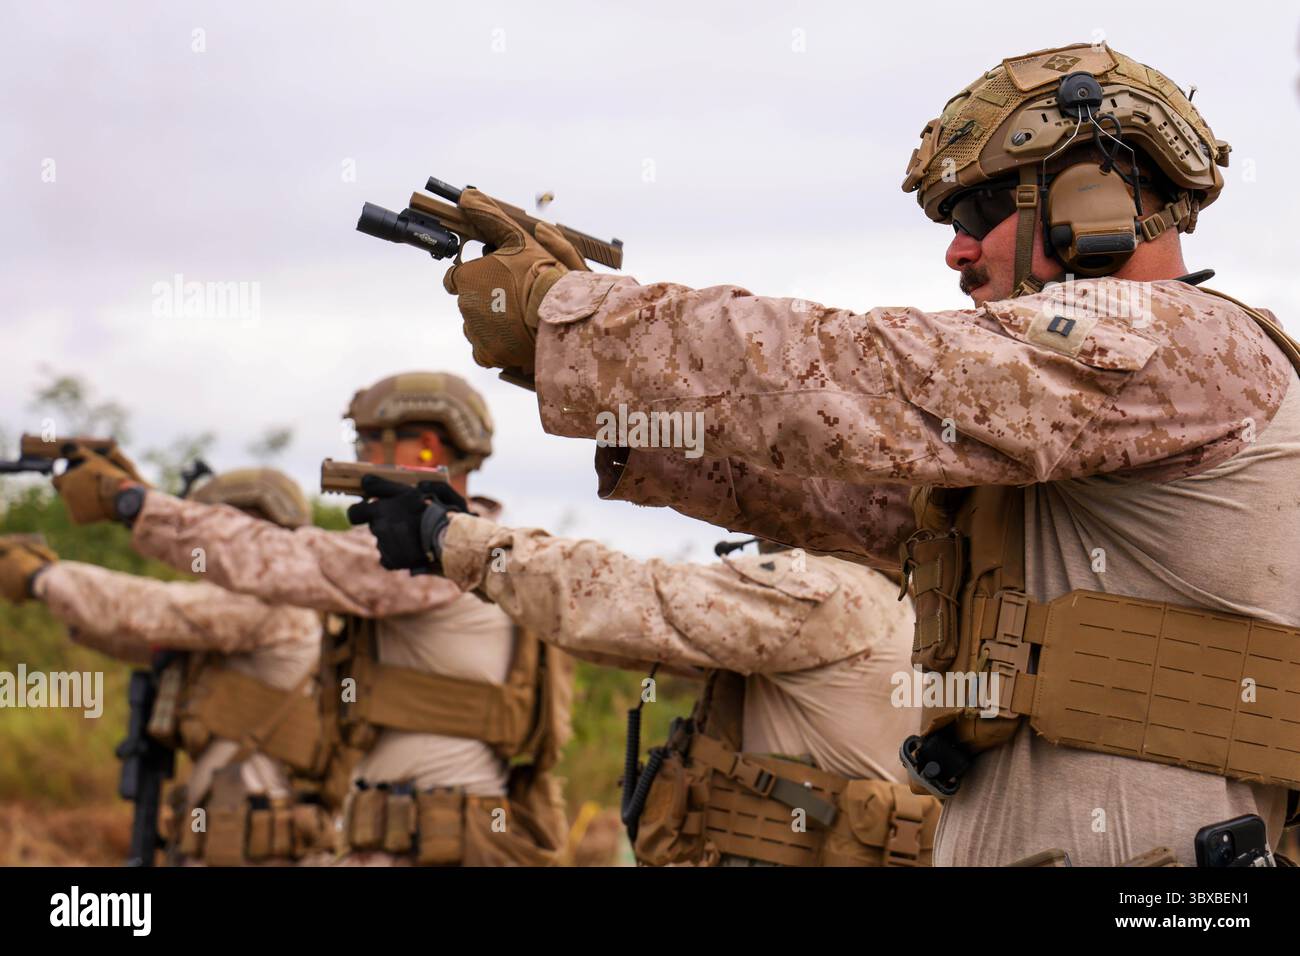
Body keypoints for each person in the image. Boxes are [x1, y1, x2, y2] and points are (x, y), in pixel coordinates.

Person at [431, 42, 1300, 865]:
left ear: (1094, 197)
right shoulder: (1077, 446)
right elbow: (845, 489)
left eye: (979, 211)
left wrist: (582, 323)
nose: (958, 250)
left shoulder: (1178, 344)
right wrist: (591, 380)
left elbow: (870, 374)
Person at [49, 373, 573, 866]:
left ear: (427, 444)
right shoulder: (471, 546)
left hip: (434, 835)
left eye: (368, 440)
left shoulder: (443, 550)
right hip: (421, 831)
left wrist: (135, 506)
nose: (360, 456)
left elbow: (287, 562)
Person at [349, 481, 939, 866]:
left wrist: (450, 537)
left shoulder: (826, 594)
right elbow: (629, 638)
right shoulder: (891, 603)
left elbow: (631, 601)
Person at [0, 468, 331, 866]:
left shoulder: (274, 606)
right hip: (231, 840)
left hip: (260, 847)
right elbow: (140, 638)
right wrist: (54, 594)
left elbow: (149, 610)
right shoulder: (243, 619)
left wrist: (42, 577)